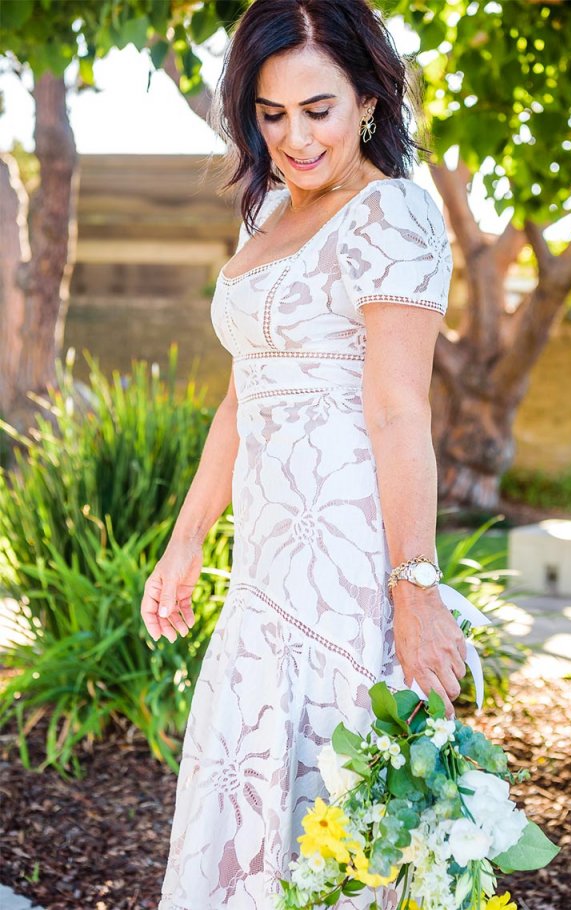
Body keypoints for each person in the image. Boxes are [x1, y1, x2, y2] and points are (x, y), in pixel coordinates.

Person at [142, 1, 465, 905]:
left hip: (349, 569)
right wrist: (188, 537)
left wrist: (415, 587)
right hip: (265, 571)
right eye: (270, 114)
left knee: (339, 835)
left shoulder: (393, 214)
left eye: (317, 110)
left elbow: (402, 411)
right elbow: (242, 393)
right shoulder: (268, 213)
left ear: (367, 98)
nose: (294, 138)